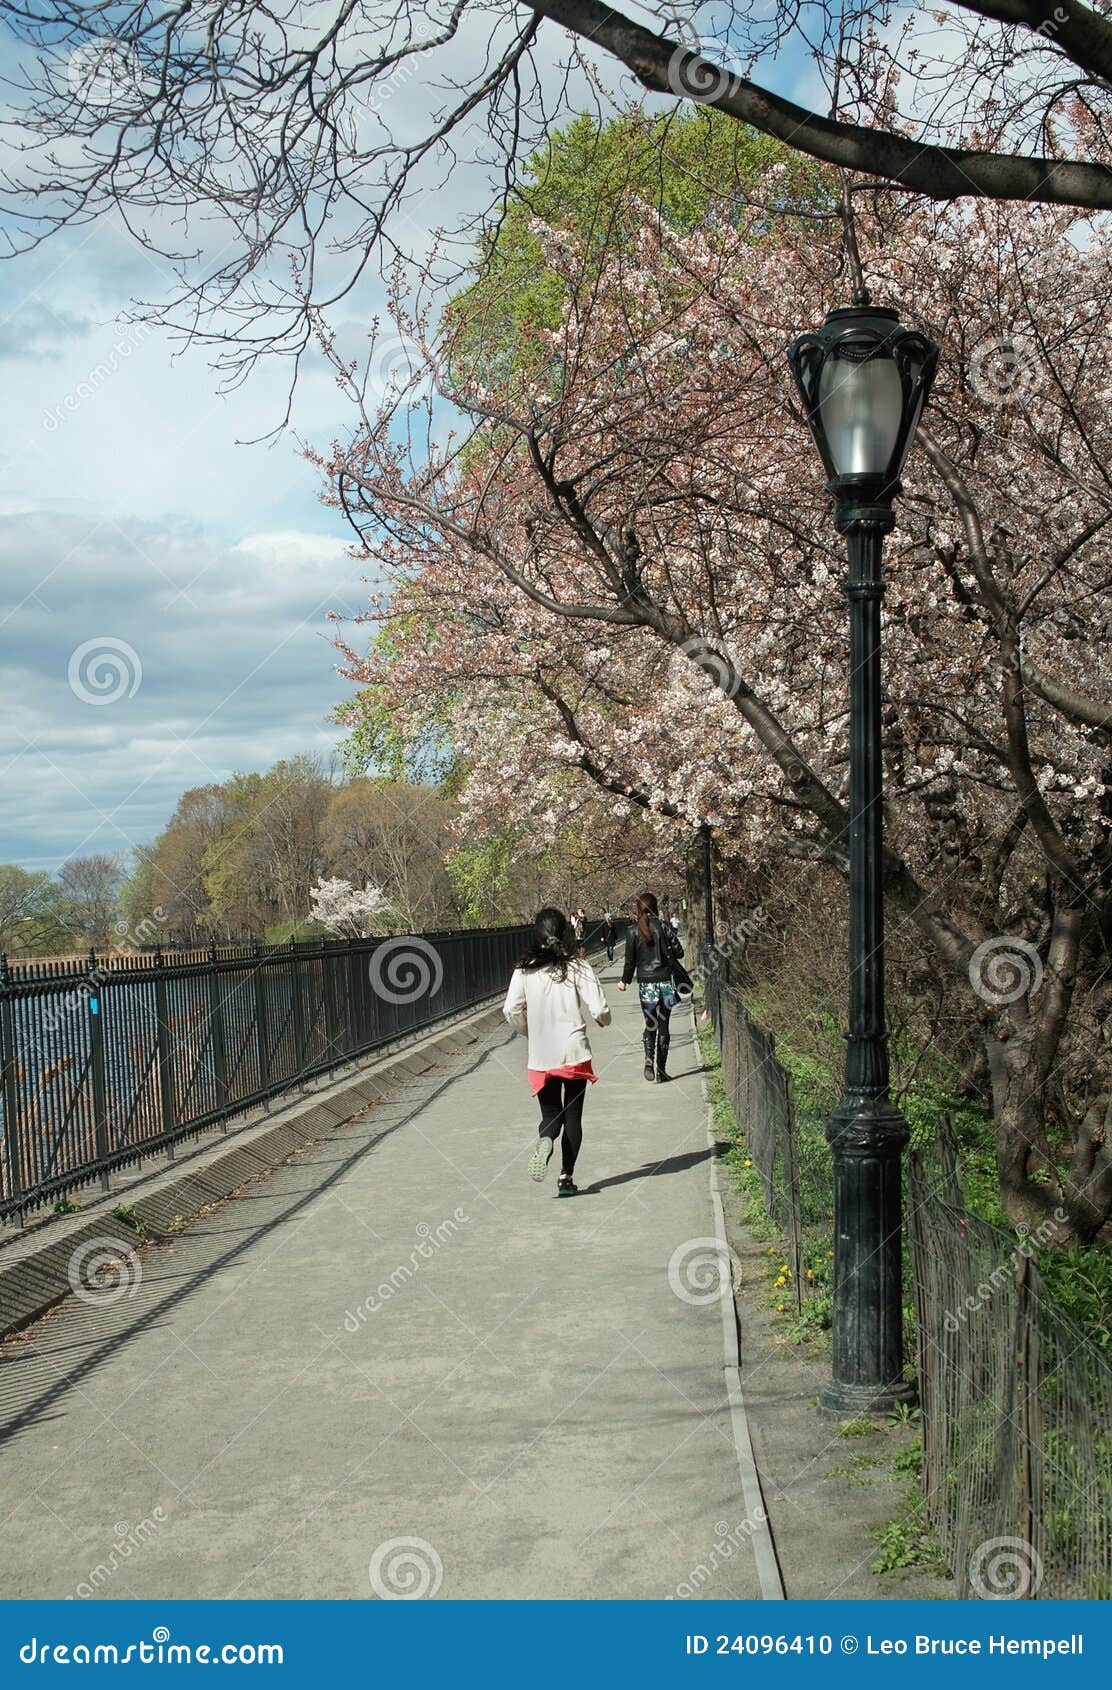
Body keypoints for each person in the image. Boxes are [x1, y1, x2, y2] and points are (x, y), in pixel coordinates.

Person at [503, 907, 611, 1196]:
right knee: (573, 1116)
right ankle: (566, 1177)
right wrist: (603, 1020)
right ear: (566, 934)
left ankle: (546, 1137)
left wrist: (528, 1031)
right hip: (573, 1050)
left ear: (536, 934)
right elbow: (599, 1009)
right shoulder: (578, 967)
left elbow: (510, 1009)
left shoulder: (524, 971)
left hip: (541, 1055)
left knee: (551, 1112)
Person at [618, 891, 683, 1083]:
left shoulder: (632, 931)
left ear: (638, 909)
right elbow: (679, 952)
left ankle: (648, 1060)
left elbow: (630, 962)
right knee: (664, 1025)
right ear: (655, 908)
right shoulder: (664, 927)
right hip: (666, 984)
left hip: (646, 985)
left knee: (650, 1022)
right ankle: (662, 1071)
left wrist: (624, 980)